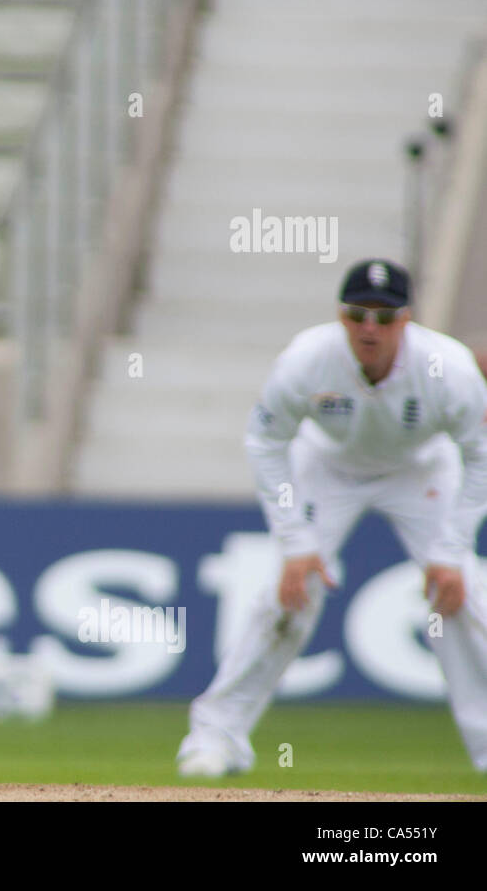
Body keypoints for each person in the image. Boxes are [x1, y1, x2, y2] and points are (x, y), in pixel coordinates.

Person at [178, 259, 487, 776]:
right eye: (358, 314)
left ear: (407, 320)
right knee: (288, 598)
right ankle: (215, 739)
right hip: (329, 466)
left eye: (385, 318)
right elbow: (266, 440)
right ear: (340, 317)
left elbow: (479, 454)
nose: (370, 328)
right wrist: (295, 540)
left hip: (420, 469)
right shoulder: (306, 359)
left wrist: (451, 551)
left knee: (460, 598)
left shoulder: (449, 369)